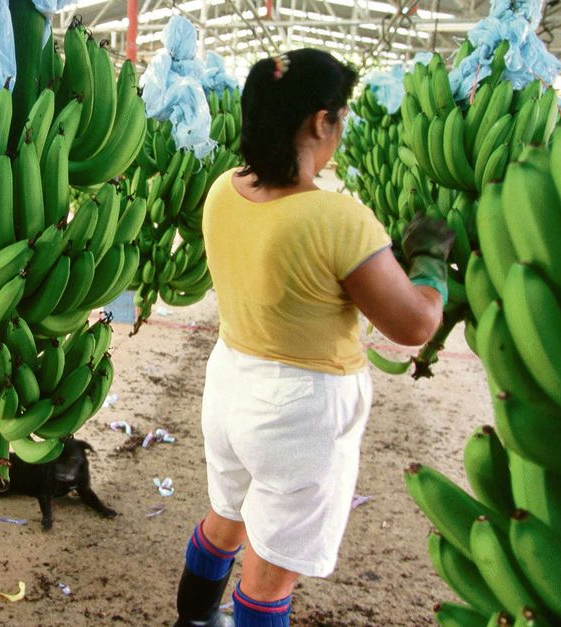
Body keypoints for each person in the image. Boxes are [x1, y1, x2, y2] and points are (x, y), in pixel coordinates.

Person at [174, 49, 453, 627]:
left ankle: (193, 621)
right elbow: (416, 324)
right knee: (270, 572)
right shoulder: (337, 221)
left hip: (230, 386)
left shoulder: (224, 190)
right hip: (299, 414)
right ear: (321, 122)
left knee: (225, 519)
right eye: (341, 115)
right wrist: (427, 265)